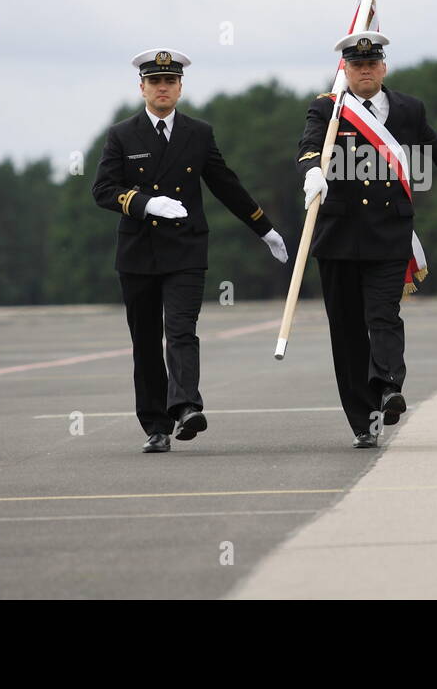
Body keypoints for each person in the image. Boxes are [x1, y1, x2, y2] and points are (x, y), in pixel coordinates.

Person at [92, 48, 289, 453]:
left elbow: (225, 184)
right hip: (138, 253)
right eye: (155, 82)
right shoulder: (122, 135)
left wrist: (264, 227)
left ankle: (186, 407)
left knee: (181, 331)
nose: (162, 88)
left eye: (170, 81)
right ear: (142, 87)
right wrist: (145, 202)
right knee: (145, 340)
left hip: (185, 249)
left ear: (180, 87)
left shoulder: (198, 133)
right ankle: (156, 425)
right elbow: (103, 191)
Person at [296, 31, 437, 448]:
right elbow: (308, 148)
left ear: (383, 67)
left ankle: (388, 385)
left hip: (388, 233)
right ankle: (363, 421)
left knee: (383, 315)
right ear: (345, 69)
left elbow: (435, 144)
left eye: (371, 64)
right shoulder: (328, 109)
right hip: (339, 236)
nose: (365, 70)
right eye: (356, 65)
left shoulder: (407, 109)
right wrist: (310, 172)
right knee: (346, 331)